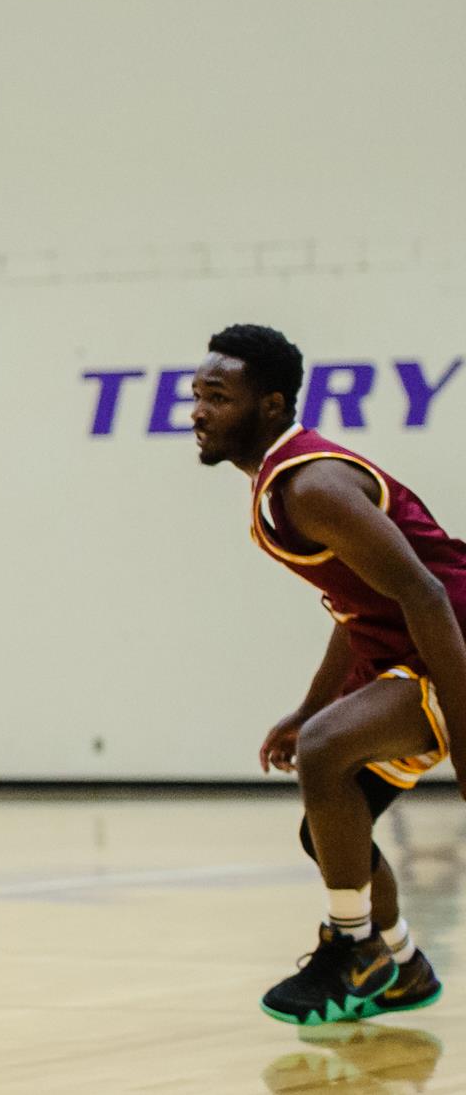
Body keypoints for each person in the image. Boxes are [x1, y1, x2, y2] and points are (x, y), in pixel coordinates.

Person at [191, 324, 455, 1025]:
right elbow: (358, 605)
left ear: (270, 405)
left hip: (451, 645)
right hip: (418, 651)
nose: (197, 411)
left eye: (217, 396)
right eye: (196, 394)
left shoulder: (311, 484)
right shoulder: (286, 485)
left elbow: (426, 594)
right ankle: (398, 963)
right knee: (330, 826)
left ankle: (352, 946)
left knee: (326, 754)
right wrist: (311, 705)